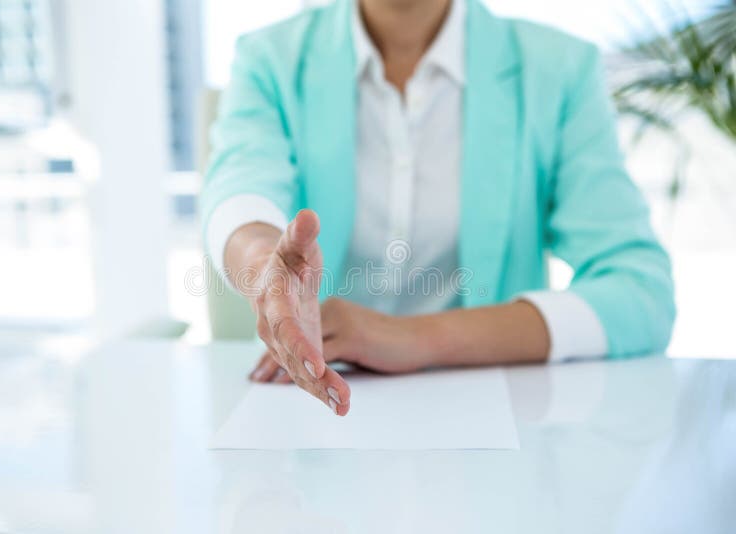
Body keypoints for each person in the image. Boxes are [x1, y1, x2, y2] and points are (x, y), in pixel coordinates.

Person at [201, 0, 676, 416]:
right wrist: (265, 263)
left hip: (498, 421)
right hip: (303, 411)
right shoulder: (268, 58)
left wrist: (414, 337)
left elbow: (640, 291)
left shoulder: (559, 68)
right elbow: (242, 183)